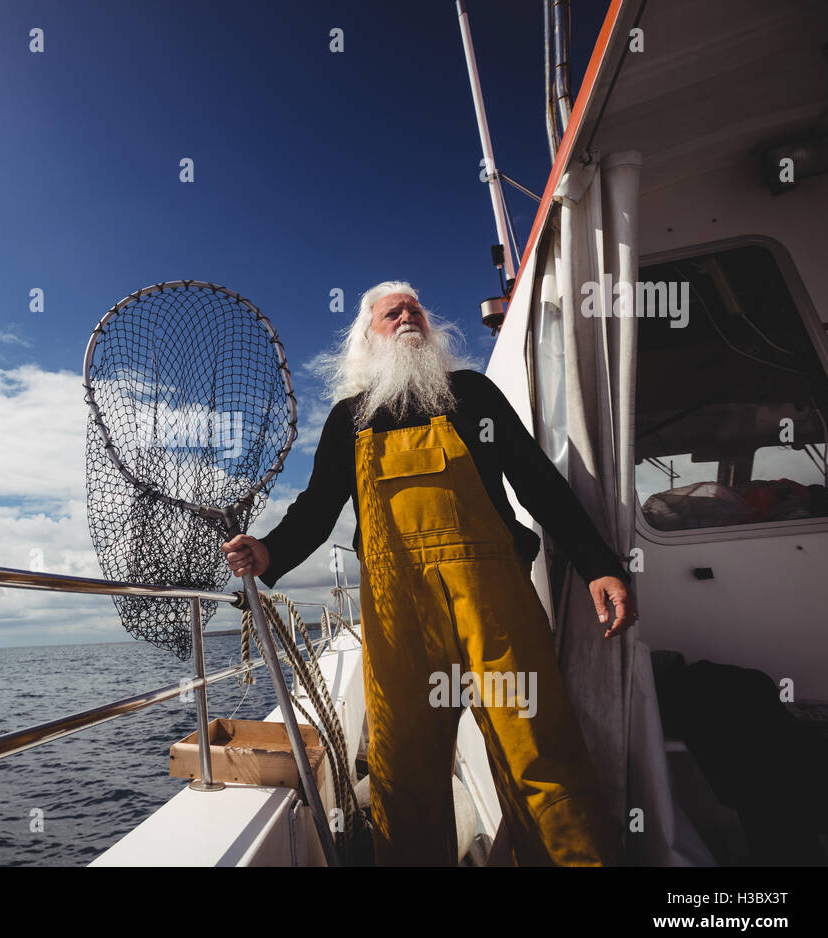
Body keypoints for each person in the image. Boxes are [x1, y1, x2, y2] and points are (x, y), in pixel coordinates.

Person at [221, 281, 637, 866]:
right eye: (392, 313)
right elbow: (316, 507)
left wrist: (598, 564)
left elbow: (537, 480)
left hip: (497, 606)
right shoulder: (350, 418)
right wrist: (268, 552)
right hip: (400, 616)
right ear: (368, 337)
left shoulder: (473, 395)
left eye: (414, 308)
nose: (407, 315)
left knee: (538, 748)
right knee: (404, 766)